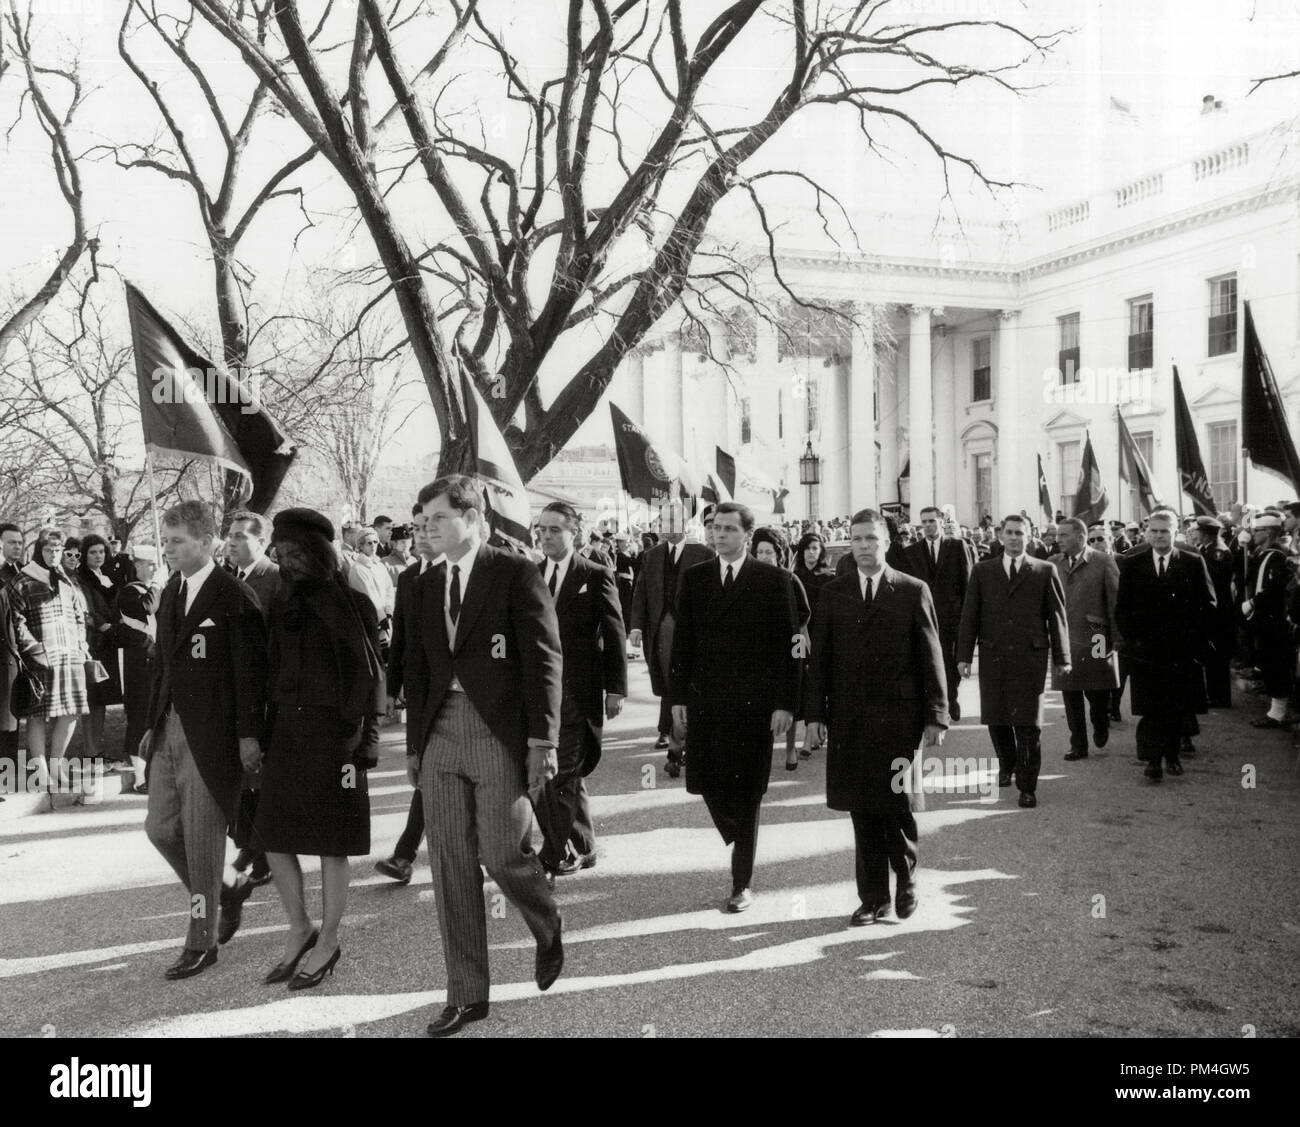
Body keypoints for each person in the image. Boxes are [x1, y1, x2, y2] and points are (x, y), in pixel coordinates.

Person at [404, 475, 564, 1037]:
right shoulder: (420, 584)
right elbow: (417, 670)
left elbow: (545, 659)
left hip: (498, 732)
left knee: (502, 853)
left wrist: (542, 742)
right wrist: (415, 747)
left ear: (471, 518)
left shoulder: (514, 573)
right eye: (423, 520)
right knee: (449, 864)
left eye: (438, 518)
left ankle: (545, 924)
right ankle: (467, 995)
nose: (427, 528)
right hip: (441, 734)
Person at [254, 509, 382, 989]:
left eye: (295, 554)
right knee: (274, 835)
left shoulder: (353, 604)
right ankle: (299, 927)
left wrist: (365, 743)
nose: (287, 563)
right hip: (286, 732)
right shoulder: (281, 604)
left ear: (318, 554)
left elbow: (372, 680)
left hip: (337, 738)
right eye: (281, 554)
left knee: (333, 842)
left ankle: (328, 939)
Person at [140, 501, 268, 980]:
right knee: (159, 829)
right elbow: (164, 666)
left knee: (201, 842)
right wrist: (152, 723)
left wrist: (249, 735)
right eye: (166, 541)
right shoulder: (171, 592)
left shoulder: (233, 596)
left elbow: (251, 674)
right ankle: (229, 884)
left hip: (213, 736)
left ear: (206, 542)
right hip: (170, 729)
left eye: (176, 541)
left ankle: (202, 940)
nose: (167, 549)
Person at [805, 507, 948, 924]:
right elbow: (820, 661)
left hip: (899, 720)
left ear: (887, 542)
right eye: (857, 539)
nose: (864, 546)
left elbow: (931, 656)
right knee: (861, 809)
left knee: (896, 805)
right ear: (849, 543)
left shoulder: (911, 589)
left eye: (872, 538)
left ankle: (906, 881)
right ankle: (873, 898)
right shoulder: (834, 592)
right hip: (850, 717)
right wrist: (814, 715)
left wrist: (935, 716)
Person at [668, 502, 800, 912]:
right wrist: (676, 699)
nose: (719, 535)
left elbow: (789, 649)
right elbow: (683, 644)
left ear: (747, 533)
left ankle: (741, 882)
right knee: (705, 780)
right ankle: (735, 833)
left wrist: (785, 704)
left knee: (748, 792)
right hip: (706, 699)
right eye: (715, 528)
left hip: (754, 704)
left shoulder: (774, 580)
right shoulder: (695, 579)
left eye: (728, 529)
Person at [533, 502, 626, 877]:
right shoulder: (530, 575)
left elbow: (615, 633)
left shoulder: (596, 574)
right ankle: (584, 845)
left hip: (578, 692)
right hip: (540, 695)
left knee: (562, 773)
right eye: (542, 529)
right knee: (566, 775)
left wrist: (615, 689)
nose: (547, 536)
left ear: (575, 532)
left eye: (555, 529)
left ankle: (552, 855)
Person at [957, 514, 1069, 809]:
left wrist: (1062, 657)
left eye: (1020, 533)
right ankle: (1007, 764)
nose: (1014, 538)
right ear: (1000, 536)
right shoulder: (983, 571)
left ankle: (1027, 787)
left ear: (1030, 536)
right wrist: (963, 656)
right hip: (994, 657)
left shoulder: (1045, 571)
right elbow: (970, 616)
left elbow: (1056, 618)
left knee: (1029, 725)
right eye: (1009, 532)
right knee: (997, 719)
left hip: (1029, 659)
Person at [1116, 510, 1215, 781]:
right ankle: (1153, 760)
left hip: (1180, 651)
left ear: (1175, 533)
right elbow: (1122, 608)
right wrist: (1133, 640)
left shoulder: (1193, 562)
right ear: (1147, 533)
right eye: (1155, 531)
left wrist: (1197, 641)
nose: (1159, 536)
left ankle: (1171, 755)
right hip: (1145, 651)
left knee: (1174, 707)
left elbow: (1208, 605)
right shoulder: (1133, 563)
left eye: (1165, 531)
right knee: (1150, 708)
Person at [376, 504, 440, 885]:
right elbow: (400, 638)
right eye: (415, 529)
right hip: (420, 691)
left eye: (427, 528)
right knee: (428, 772)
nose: (420, 536)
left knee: (435, 772)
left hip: (460, 696)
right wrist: (392, 688)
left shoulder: (468, 576)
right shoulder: (411, 577)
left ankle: (404, 854)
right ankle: (404, 855)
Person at [7, 528, 91, 806]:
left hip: (71, 658)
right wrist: (34, 651)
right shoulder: (22, 581)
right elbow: (15, 623)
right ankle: (41, 771)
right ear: (39, 550)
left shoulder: (67, 581)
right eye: (49, 549)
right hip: (41, 658)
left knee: (71, 713)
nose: (55, 554)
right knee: (38, 715)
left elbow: (80, 617)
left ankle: (56, 766)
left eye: (59, 550)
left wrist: (81, 645)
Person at [628, 516, 712, 775]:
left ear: (684, 525)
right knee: (670, 683)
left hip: (695, 630)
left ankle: (682, 746)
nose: (667, 528)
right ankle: (672, 742)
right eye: (663, 523)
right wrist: (636, 626)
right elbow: (641, 591)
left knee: (693, 685)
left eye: (672, 522)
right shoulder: (651, 556)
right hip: (662, 627)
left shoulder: (703, 552)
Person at [1051, 518, 1121, 761]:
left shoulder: (1103, 561)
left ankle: (1100, 723)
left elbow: (1115, 602)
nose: (1058, 539)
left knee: (1098, 691)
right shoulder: (1052, 564)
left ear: (1080, 537)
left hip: (1097, 636)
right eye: (1058, 535)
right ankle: (1078, 744)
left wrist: (1117, 637)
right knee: (1070, 695)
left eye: (1064, 535)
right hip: (1064, 637)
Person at [903, 505, 973, 721]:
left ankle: (951, 697)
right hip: (924, 617)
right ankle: (936, 703)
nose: (927, 526)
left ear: (941, 521)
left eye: (932, 521)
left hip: (951, 618)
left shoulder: (957, 546)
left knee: (951, 663)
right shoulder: (912, 551)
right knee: (929, 661)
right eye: (923, 522)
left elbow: (968, 583)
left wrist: (966, 616)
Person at [751, 526, 810, 768]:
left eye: (769, 552)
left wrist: (797, 647)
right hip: (758, 652)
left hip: (788, 648)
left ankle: (790, 749)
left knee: (788, 699)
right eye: (760, 551)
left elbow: (805, 613)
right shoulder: (750, 578)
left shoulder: (789, 578)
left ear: (778, 554)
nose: (764, 556)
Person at [72, 534, 124, 771]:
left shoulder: (109, 577)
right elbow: (86, 610)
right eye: (93, 552)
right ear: (85, 555)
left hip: (110, 644)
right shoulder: (81, 579)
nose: (98, 556)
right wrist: (102, 625)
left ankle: (97, 752)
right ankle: (90, 752)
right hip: (94, 642)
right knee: (92, 698)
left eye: (101, 552)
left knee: (102, 700)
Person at [117, 544, 164, 796]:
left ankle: (154, 771)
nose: (155, 568)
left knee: (154, 714)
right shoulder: (129, 592)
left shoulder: (154, 589)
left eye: (157, 564)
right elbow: (147, 607)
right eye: (149, 564)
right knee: (139, 715)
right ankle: (138, 776)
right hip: (138, 662)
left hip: (155, 660)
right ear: (137, 566)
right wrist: (157, 585)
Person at [1193, 516, 1235, 709]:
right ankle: (1213, 693)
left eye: (1199, 531)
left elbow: (1214, 585)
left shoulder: (1218, 553)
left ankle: (1221, 696)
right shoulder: (1206, 550)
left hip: (1219, 612)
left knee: (1218, 655)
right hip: (1209, 610)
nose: (1196, 534)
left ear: (1207, 533)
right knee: (1210, 654)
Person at [348, 525, 395, 659]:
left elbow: (388, 589)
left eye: (375, 542)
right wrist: (381, 617)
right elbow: (368, 596)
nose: (373, 545)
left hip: (385, 619)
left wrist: (389, 610)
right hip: (370, 621)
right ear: (361, 546)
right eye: (369, 543)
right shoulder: (357, 569)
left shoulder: (379, 566)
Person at [793, 531, 835, 619]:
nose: (811, 552)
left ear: (820, 551)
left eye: (815, 548)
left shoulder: (829, 577)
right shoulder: (794, 577)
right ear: (802, 551)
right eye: (807, 548)